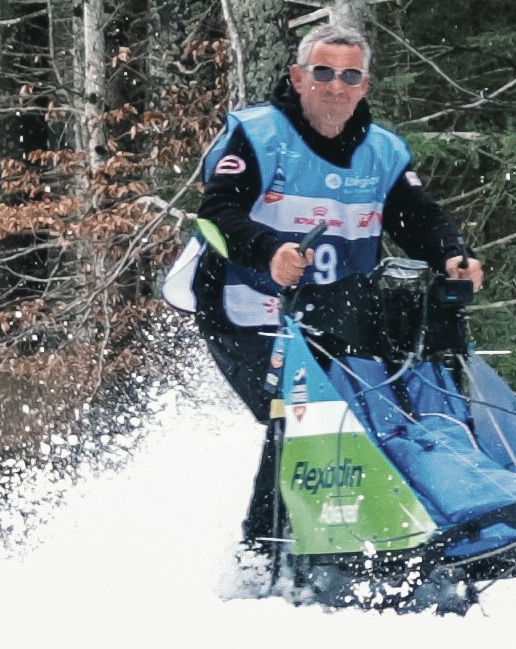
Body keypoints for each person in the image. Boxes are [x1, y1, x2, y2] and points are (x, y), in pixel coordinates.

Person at [182, 27, 487, 552]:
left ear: (364, 86)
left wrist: (452, 254)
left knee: (388, 398)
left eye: (349, 76)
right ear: (298, 79)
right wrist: (268, 251)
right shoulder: (258, 135)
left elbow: (416, 217)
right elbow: (216, 214)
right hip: (243, 308)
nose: (335, 87)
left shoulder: (384, 151)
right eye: (322, 73)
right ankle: (269, 548)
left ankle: (411, 524)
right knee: (303, 406)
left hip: (334, 309)